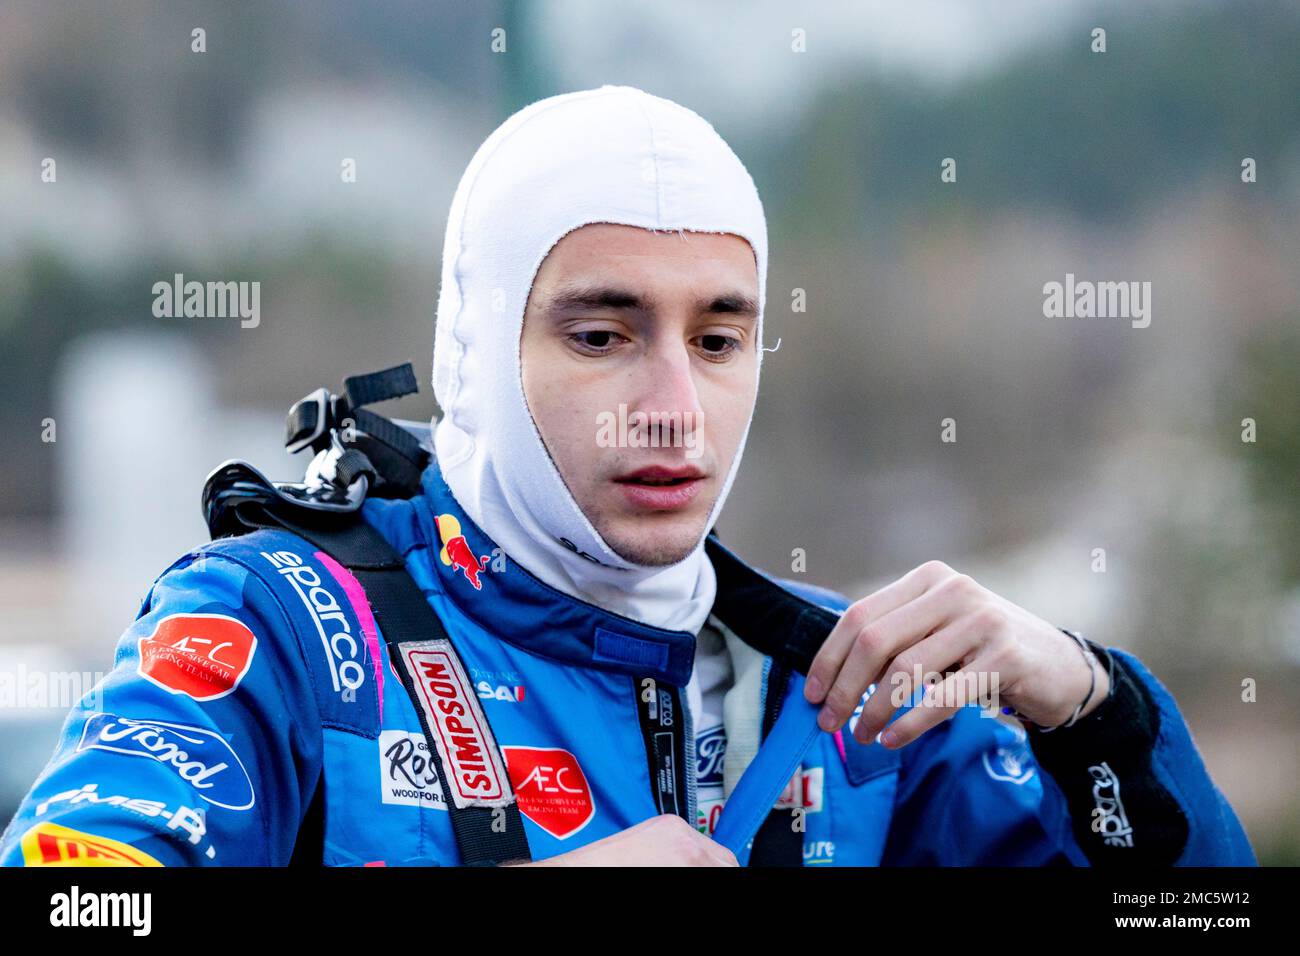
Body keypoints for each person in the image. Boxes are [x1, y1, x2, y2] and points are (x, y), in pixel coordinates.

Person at [0, 85, 1254, 867]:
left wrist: (1096, 708)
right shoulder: (274, 624)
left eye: (718, 338)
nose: (672, 409)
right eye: (601, 335)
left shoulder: (863, 706)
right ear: (476, 351)